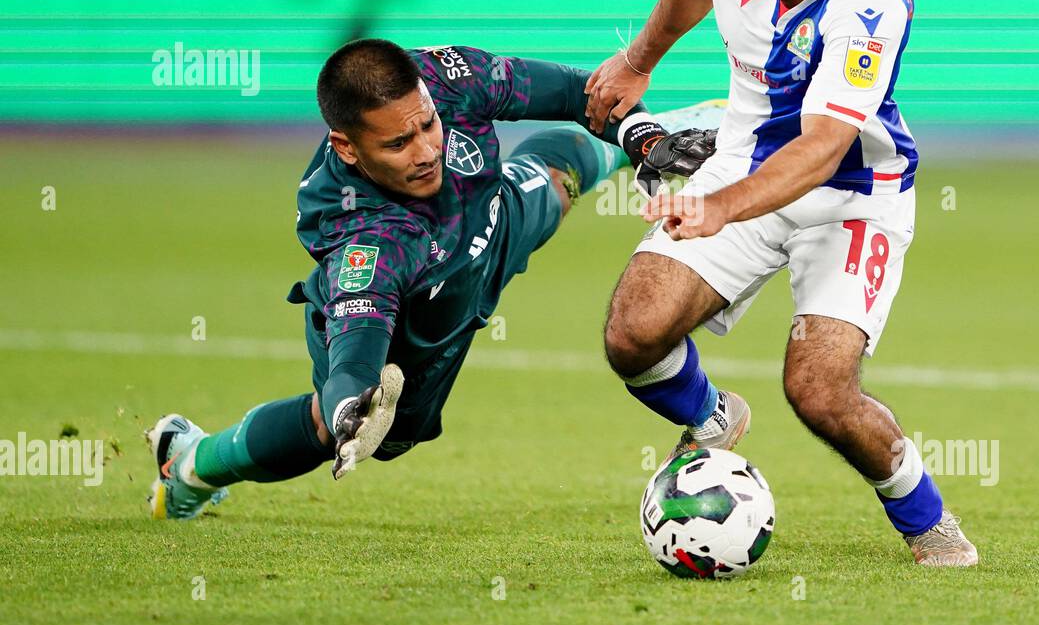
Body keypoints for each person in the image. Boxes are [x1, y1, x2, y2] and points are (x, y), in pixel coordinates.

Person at [586, 0, 978, 566]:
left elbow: (824, 147)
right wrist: (638, 62)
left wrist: (718, 209)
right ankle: (711, 418)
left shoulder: (873, 4)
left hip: (853, 196)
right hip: (740, 162)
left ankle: (930, 525)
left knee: (820, 391)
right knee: (633, 332)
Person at [147, 38, 716, 519]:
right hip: (418, 326)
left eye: (427, 126)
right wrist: (351, 404)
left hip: (492, 223)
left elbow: (577, 93)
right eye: (397, 144)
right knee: (346, 429)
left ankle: (682, 128)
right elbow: (355, 354)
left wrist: (643, 137)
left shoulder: (450, 79)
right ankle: (193, 464)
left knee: (557, 175)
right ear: (346, 147)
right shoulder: (366, 240)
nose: (425, 152)